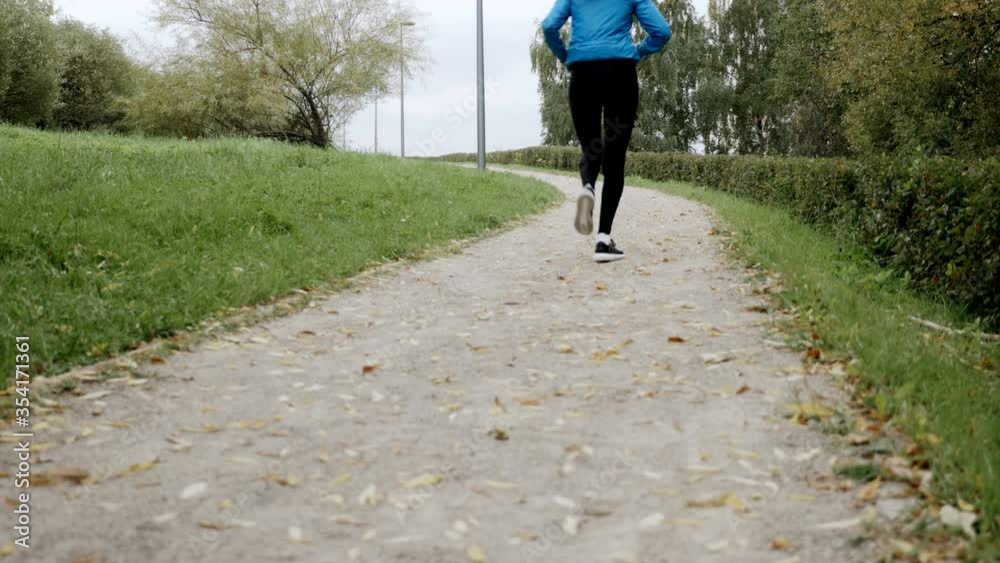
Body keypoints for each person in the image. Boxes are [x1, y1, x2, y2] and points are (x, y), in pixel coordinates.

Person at [542, 0, 671, 263]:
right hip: (620, 74)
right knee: (615, 157)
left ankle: (588, 188)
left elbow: (549, 26)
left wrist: (565, 56)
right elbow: (662, 31)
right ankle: (602, 240)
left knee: (591, 147)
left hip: (583, 74)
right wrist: (638, 51)